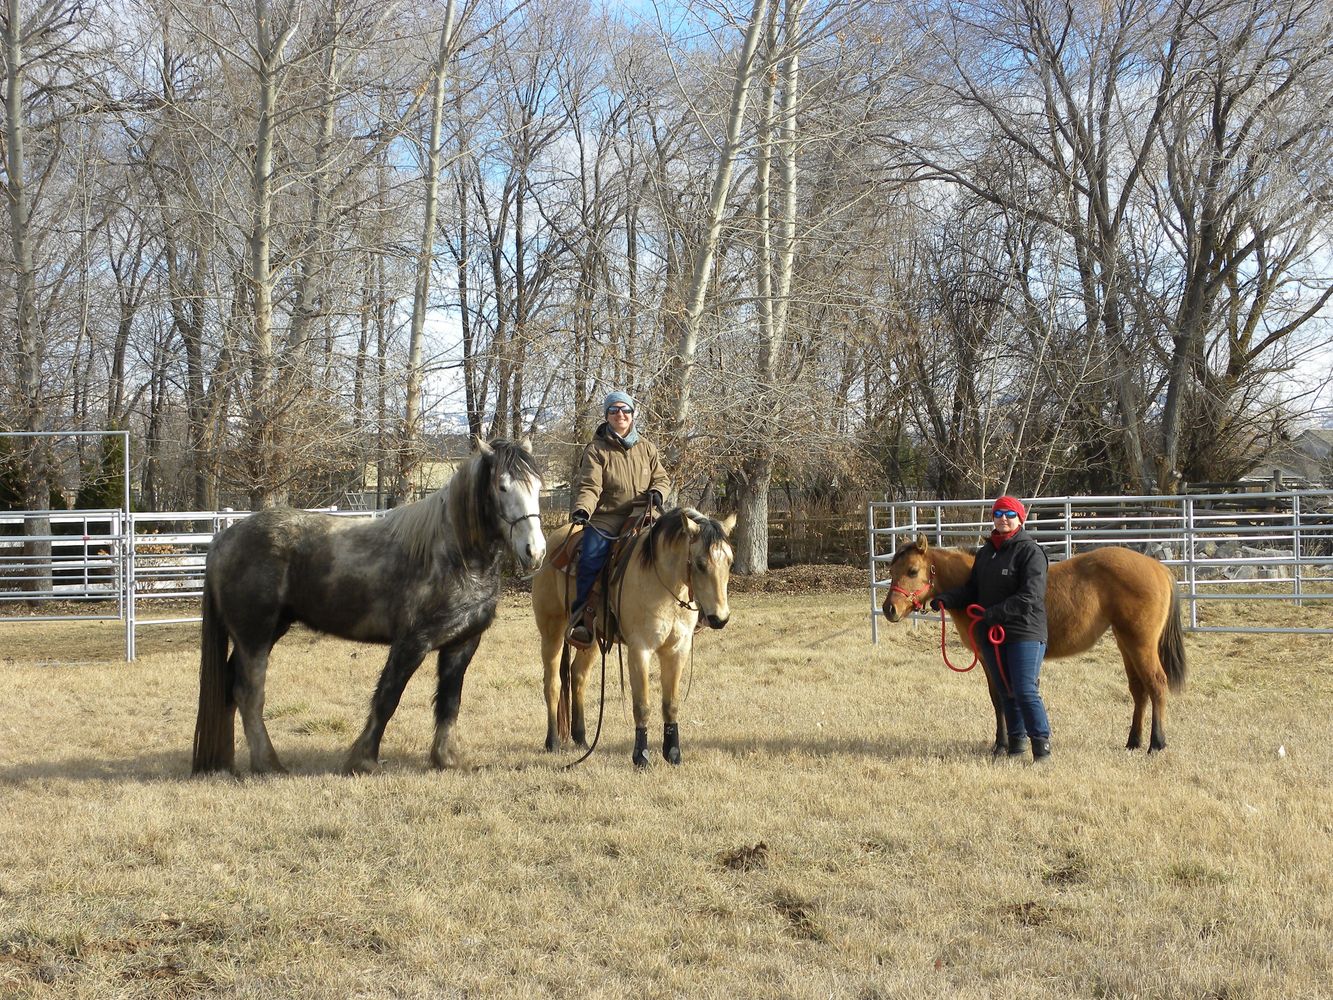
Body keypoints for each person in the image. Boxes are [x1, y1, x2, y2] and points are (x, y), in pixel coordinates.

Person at [931, 495, 1052, 761]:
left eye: (1009, 514)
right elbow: (973, 590)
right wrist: (947, 599)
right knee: (1005, 689)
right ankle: (1016, 745)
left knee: (1024, 689)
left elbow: (1031, 596)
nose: (1003, 519)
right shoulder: (986, 553)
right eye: (998, 514)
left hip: (1024, 631)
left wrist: (993, 613)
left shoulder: (1030, 552)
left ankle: (1041, 746)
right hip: (992, 631)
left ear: (1020, 518)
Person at [567, 391, 671, 646]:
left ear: (633, 415)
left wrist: (657, 492)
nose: (620, 415)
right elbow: (590, 486)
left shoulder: (647, 448)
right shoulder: (596, 450)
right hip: (608, 516)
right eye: (613, 410)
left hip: (644, 514)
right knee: (590, 557)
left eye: (625, 410)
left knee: (676, 546)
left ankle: (691, 609)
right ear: (607, 416)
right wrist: (583, 509)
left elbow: (662, 478)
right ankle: (582, 619)